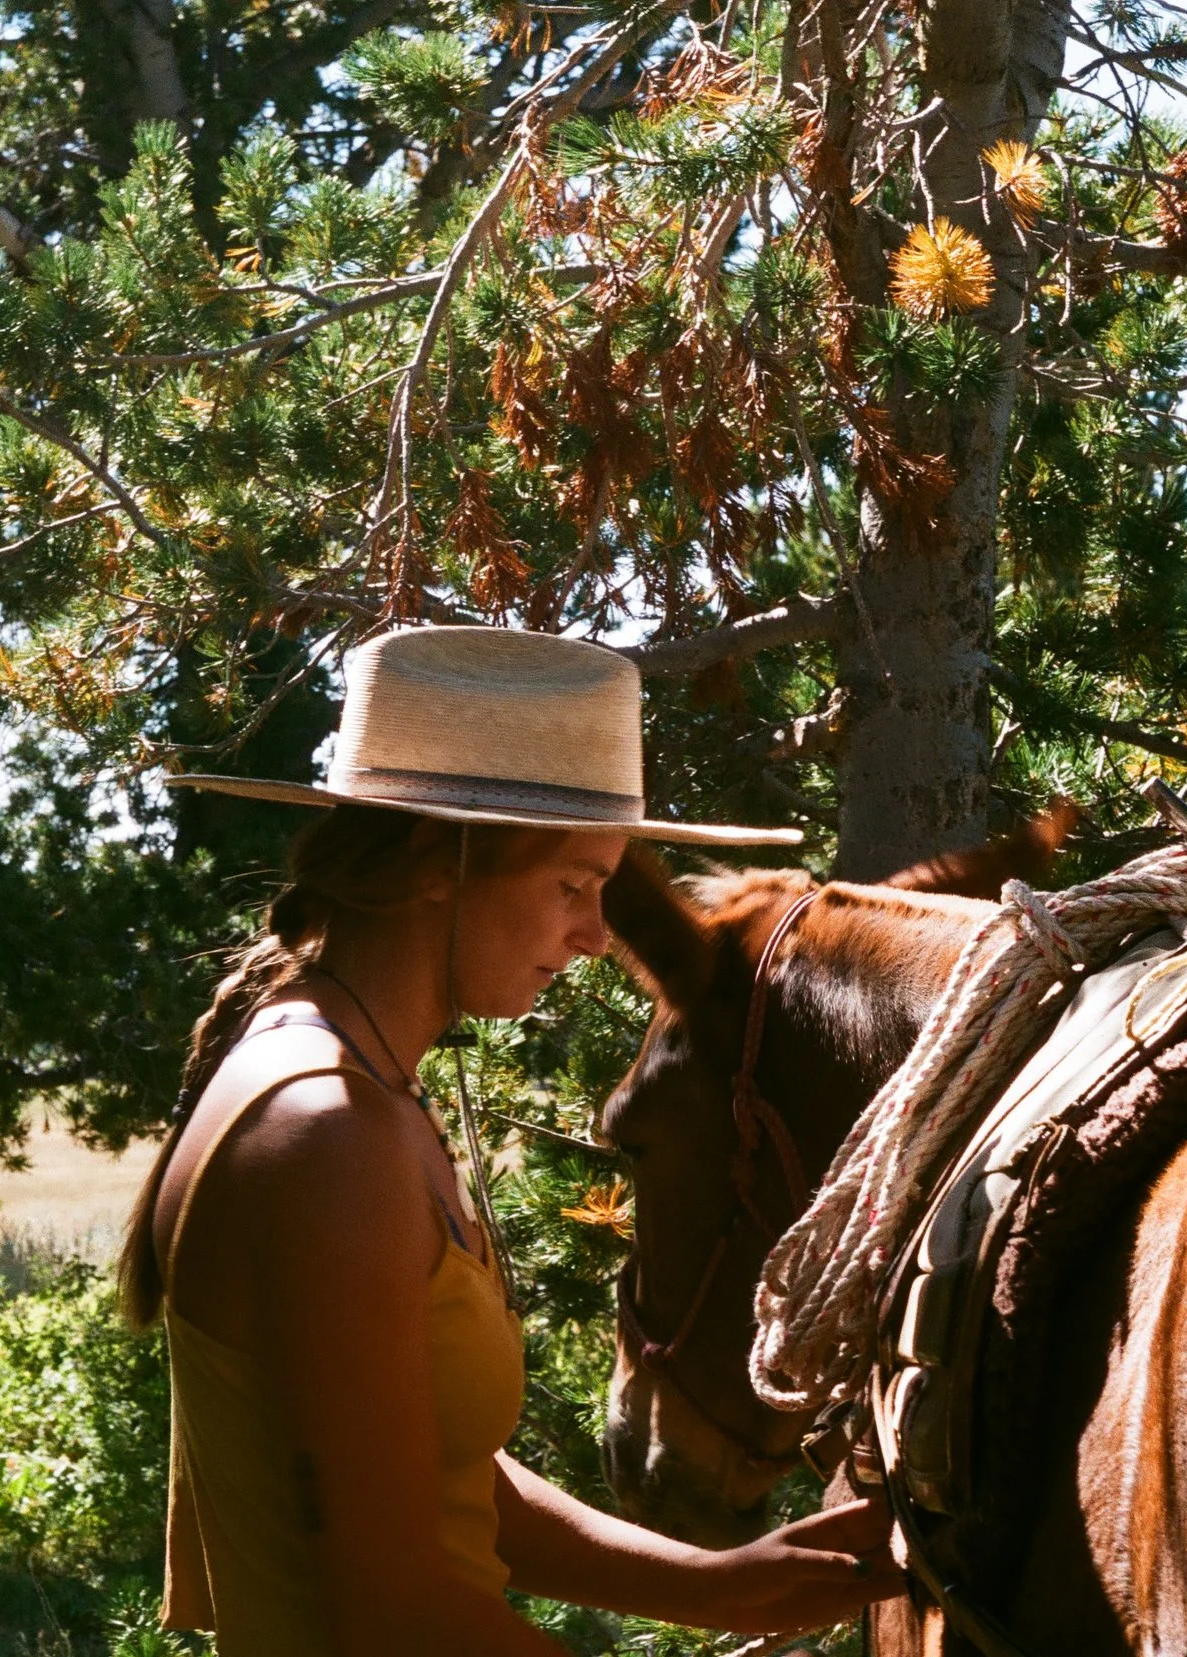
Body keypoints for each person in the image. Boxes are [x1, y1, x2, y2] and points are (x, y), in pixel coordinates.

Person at [120, 627, 905, 1653]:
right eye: (572, 886)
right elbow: (394, 1611)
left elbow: (433, 1471)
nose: (591, 935)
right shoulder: (325, 1132)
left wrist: (720, 1587)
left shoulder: (348, 1078)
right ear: (440, 860)